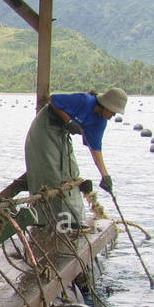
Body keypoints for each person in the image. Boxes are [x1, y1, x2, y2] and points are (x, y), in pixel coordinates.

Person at [23, 86, 127, 231]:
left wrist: (105, 175)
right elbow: (53, 99)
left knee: (71, 174)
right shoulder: (85, 101)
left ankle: (72, 218)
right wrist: (69, 121)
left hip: (62, 133)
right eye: (113, 111)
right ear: (105, 105)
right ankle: (44, 219)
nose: (113, 115)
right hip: (45, 127)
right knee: (52, 173)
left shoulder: (100, 122)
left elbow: (95, 149)